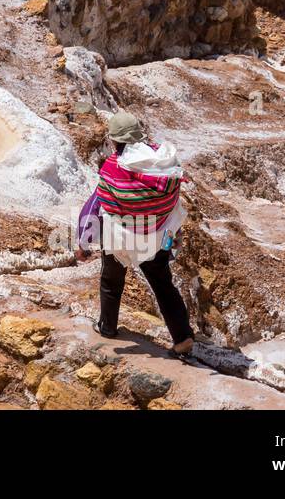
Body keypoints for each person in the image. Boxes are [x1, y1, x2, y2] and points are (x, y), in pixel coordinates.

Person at [75, 112, 195, 358]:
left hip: (120, 237)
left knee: (111, 280)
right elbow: (172, 200)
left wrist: (83, 241)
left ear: (114, 140)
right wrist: (174, 231)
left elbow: (96, 204)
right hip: (157, 234)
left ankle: (107, 327)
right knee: (163, 285)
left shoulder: (113, 167)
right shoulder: (162, 163)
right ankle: (183, 339)